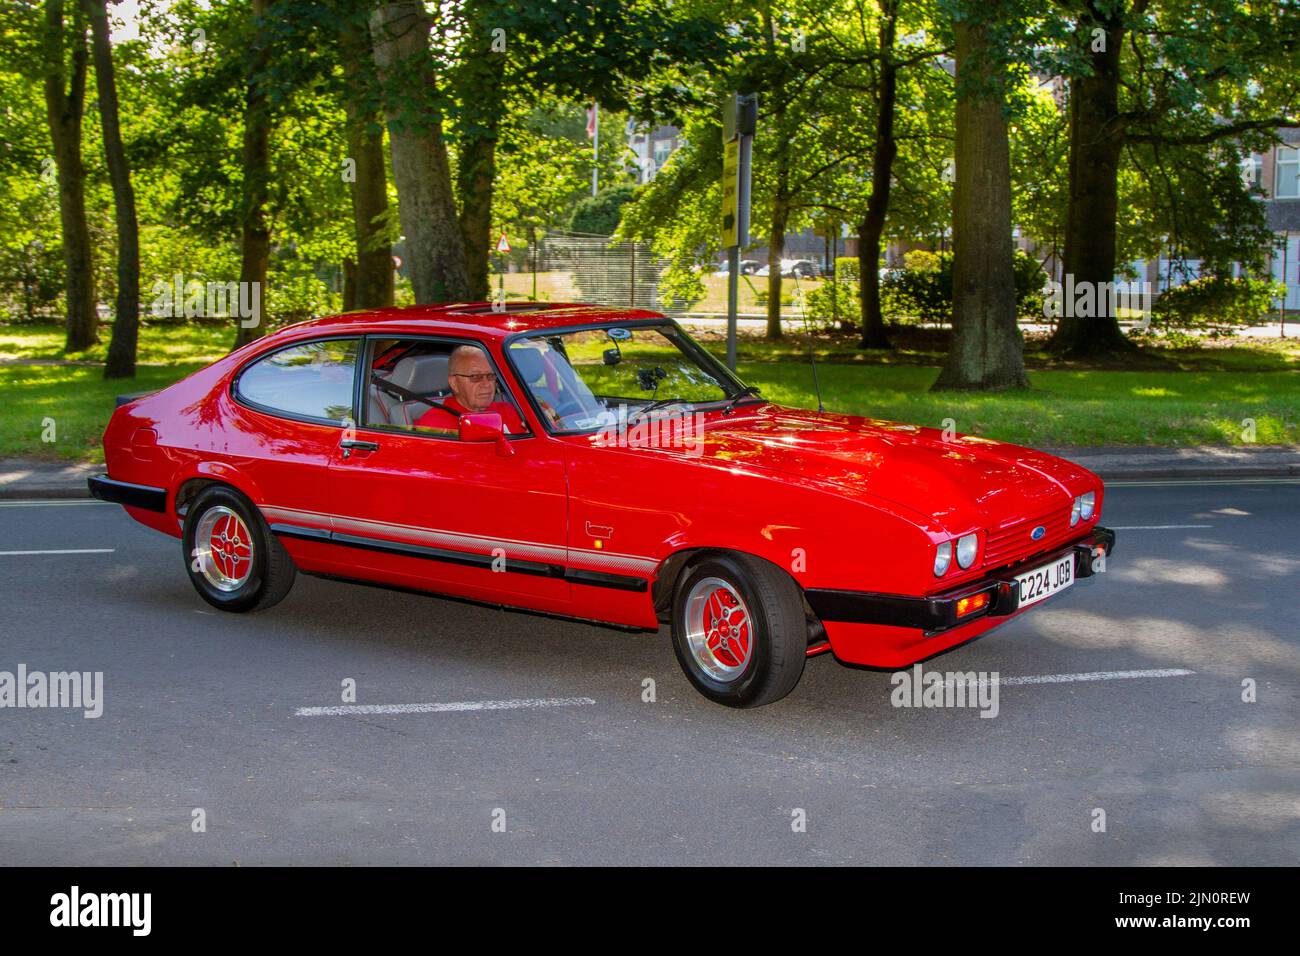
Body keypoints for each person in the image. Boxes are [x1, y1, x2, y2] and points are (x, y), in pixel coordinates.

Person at [414, 345, 526, 434]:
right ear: (454, 383)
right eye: (475, 377)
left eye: (491, 376)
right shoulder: (434, 423)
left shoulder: (510, 411)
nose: (486, 384)